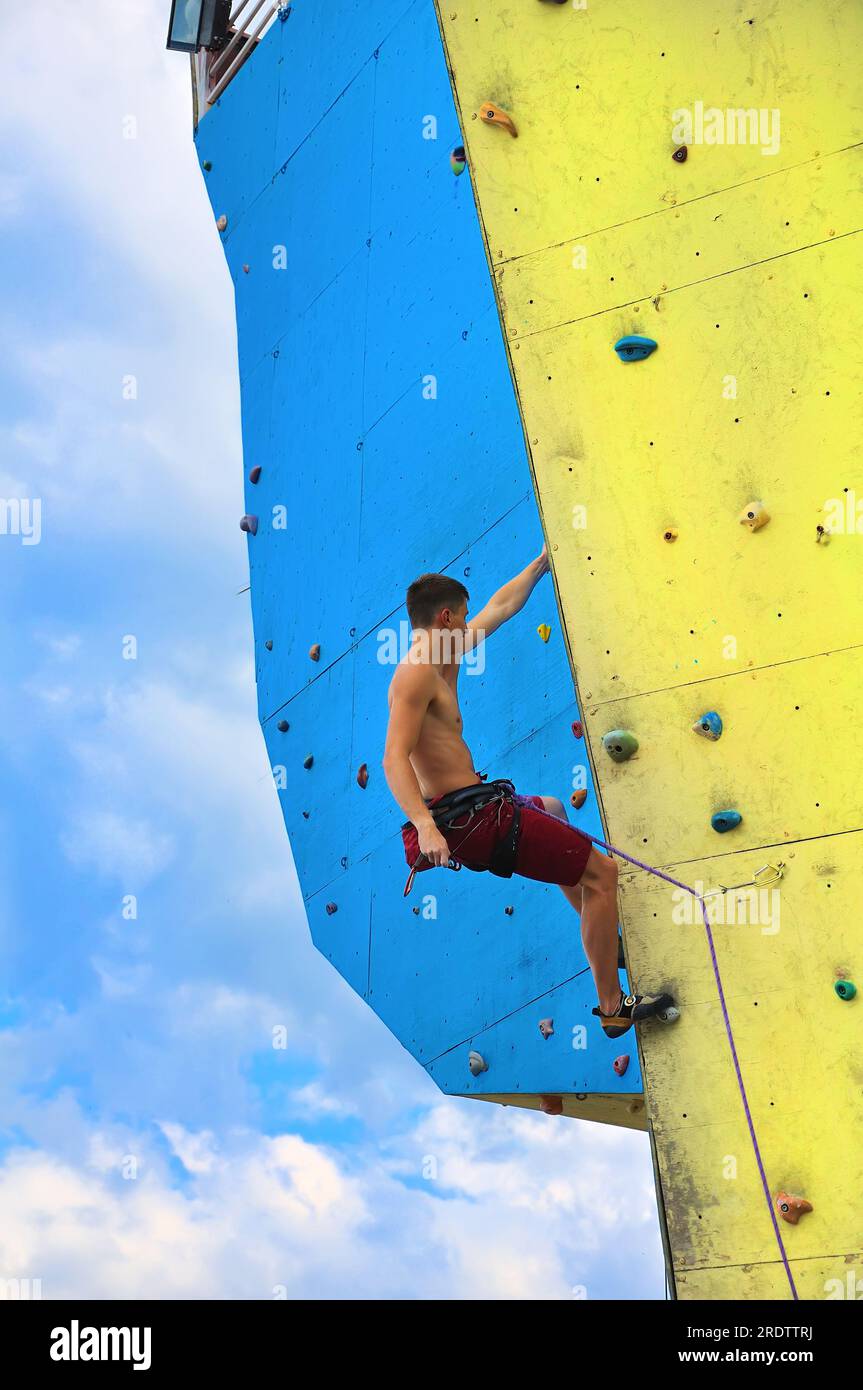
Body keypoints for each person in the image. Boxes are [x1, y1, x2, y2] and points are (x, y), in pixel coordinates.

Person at [382, 552, 670, 1039]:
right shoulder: (414, 674)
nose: (472, 623)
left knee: (555, 810)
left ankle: (604, 941)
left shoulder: (444, 655)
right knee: (603, 875)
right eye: (464, 614)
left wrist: (541, 564)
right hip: (468, 822)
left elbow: (500, 607)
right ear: (446, 617)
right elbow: (394, 758)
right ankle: (613, 1007)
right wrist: (426, 826)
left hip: (480, 807)